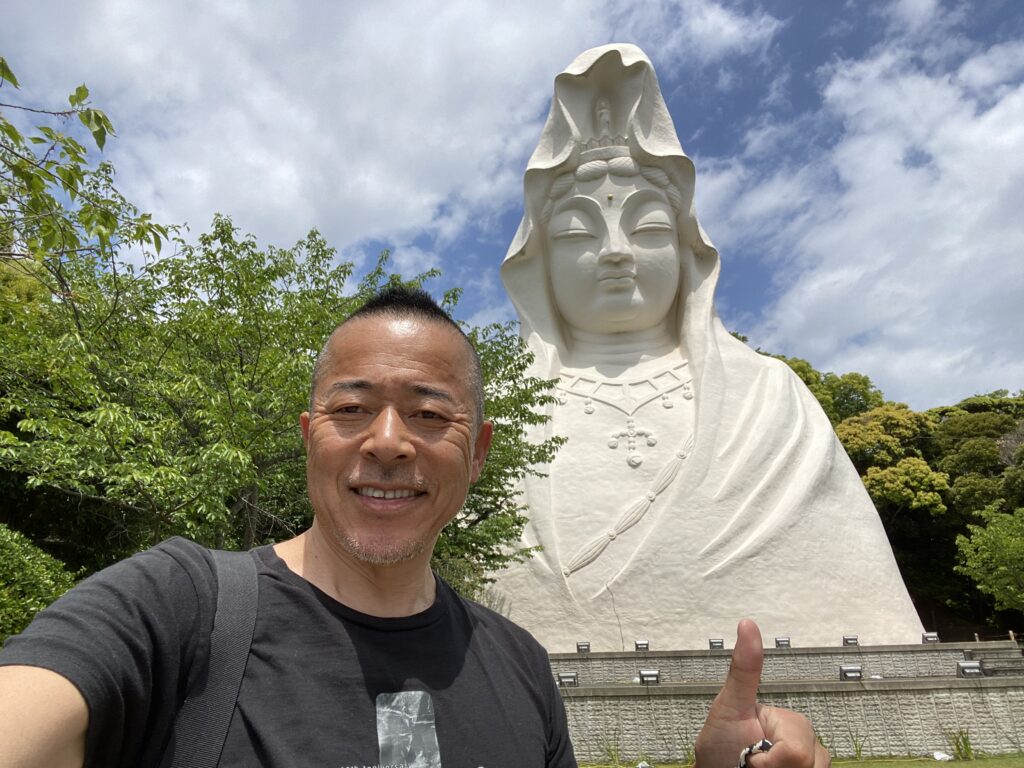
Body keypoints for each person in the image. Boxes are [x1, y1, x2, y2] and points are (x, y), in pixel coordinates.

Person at [0, 286, 827, 768]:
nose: (389, 442)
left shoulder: (520, 666)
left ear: (479, 452)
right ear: (309, 436)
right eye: (352, 408)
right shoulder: (173, 608)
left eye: (430, 414)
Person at [493, 44, 923, 651]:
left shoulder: (768, 396)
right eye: (576, 232)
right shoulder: (493, 410)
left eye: (647, 227)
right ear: (538, 263)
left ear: (686, 248)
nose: (615, 251)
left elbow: (849, 579)